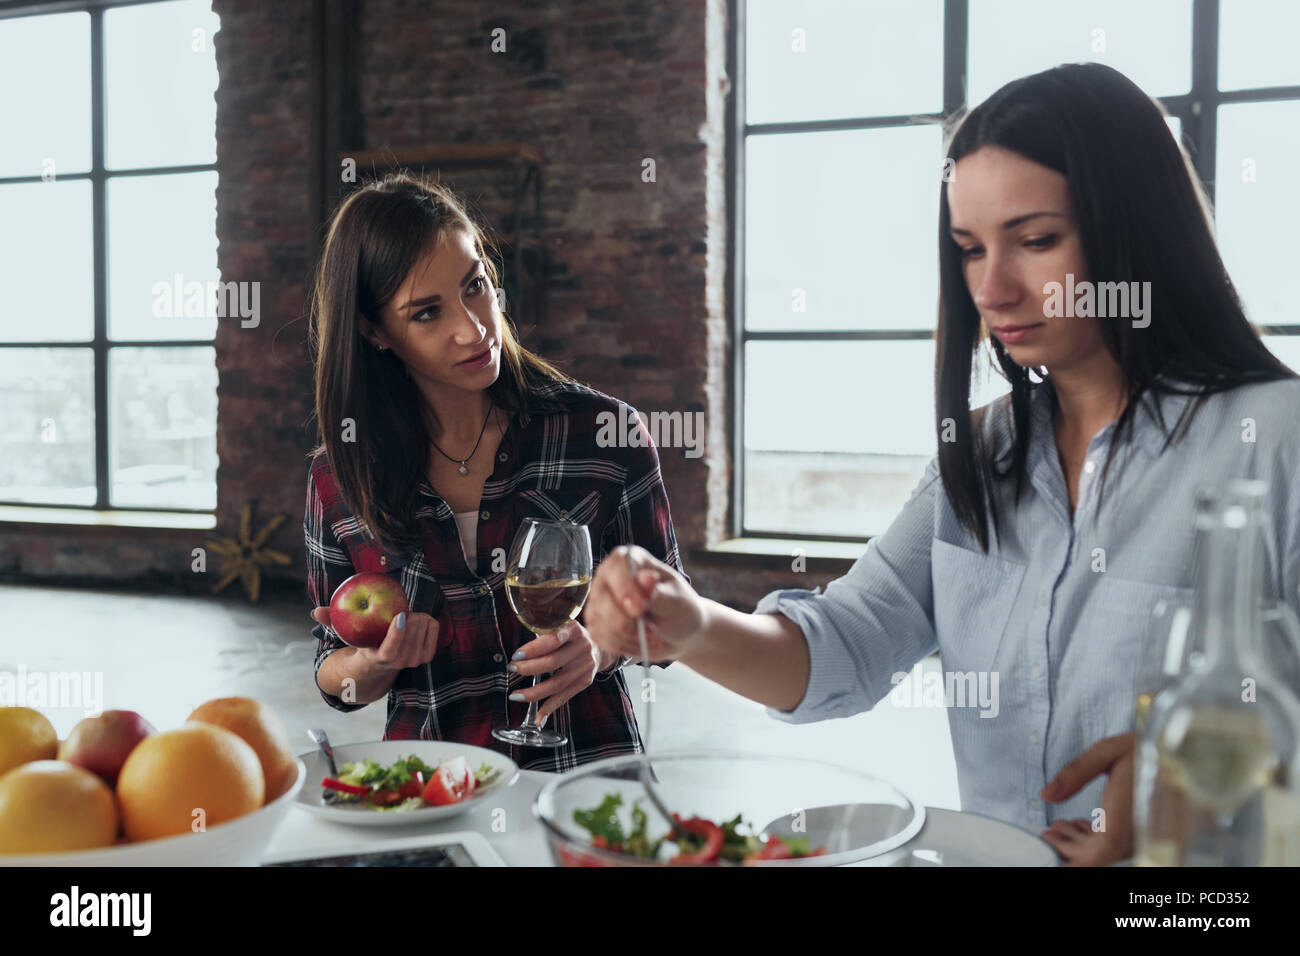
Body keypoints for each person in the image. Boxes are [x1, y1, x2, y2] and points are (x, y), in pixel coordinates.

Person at [582, 63, 1300, 863]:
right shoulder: (984, 449)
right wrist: (690, 625)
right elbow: (848, 646)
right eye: (967, 249)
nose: (991, 288)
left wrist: (1184, 777)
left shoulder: (1277, 439)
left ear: (1137, 228)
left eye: (1035, 241)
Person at [303, 173, 684, 772]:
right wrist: (372, 665)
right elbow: (334, 677)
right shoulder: (339, 475)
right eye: (426, 313)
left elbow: (670, 620)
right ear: (374, 332)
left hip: (585, 778)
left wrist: (603, 649)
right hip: (429, 788)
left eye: (474, 285)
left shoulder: (606, 432)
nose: (474, 327)